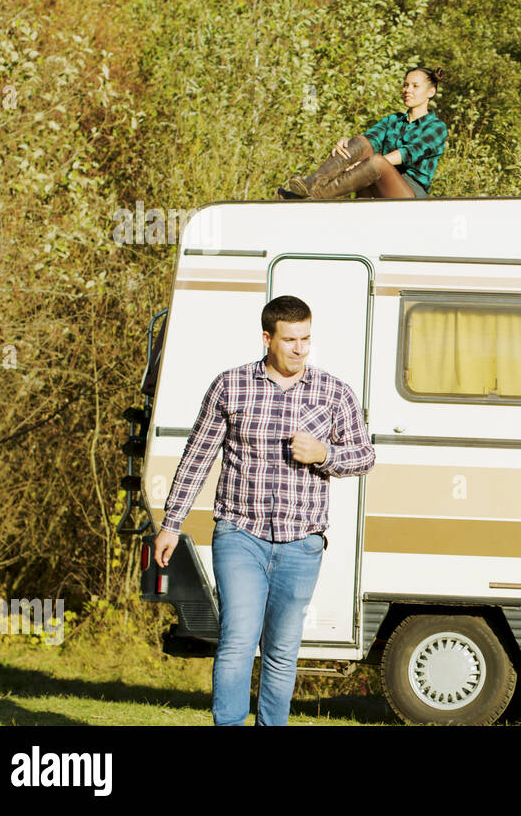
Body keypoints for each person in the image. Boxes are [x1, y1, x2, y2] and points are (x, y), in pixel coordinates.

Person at [152, 295, 375, 725]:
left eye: (306, 338)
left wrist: (324, 454)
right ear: (267, 338)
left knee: (281, 651)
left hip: (301, 543)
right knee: (236, 642)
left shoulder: (333, 392)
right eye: (290, 339)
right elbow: (197, 457)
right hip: (240, 535)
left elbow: (365, 456)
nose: (300, 348)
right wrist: (171, 525)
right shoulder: (230, 386)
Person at [278, 66, 449, 200]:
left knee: (376, 162)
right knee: (360, 142)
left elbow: (409, 153)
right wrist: (348, 141)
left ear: (431, 92)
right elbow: (367, 141)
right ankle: (311, 183)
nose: (407, 90)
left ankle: (314, 196)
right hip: (377, 183)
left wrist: (364, 165)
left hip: (410, 192)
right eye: (405, 85)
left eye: (415, 86)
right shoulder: (393, 120)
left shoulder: (436, 127)